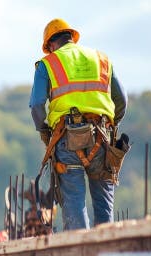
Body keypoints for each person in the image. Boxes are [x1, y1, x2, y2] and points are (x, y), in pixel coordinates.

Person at [30, 18, 129, 230]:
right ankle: (105, 253)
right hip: (102, 138)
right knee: (104, 203)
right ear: (71, 38)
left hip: (67, 140)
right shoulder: (101, 59)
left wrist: (45, 132)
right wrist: (110, 125)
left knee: (73, 201)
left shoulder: (48, 63)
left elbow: (37, 105)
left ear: (51, 45)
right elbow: (121, 101)